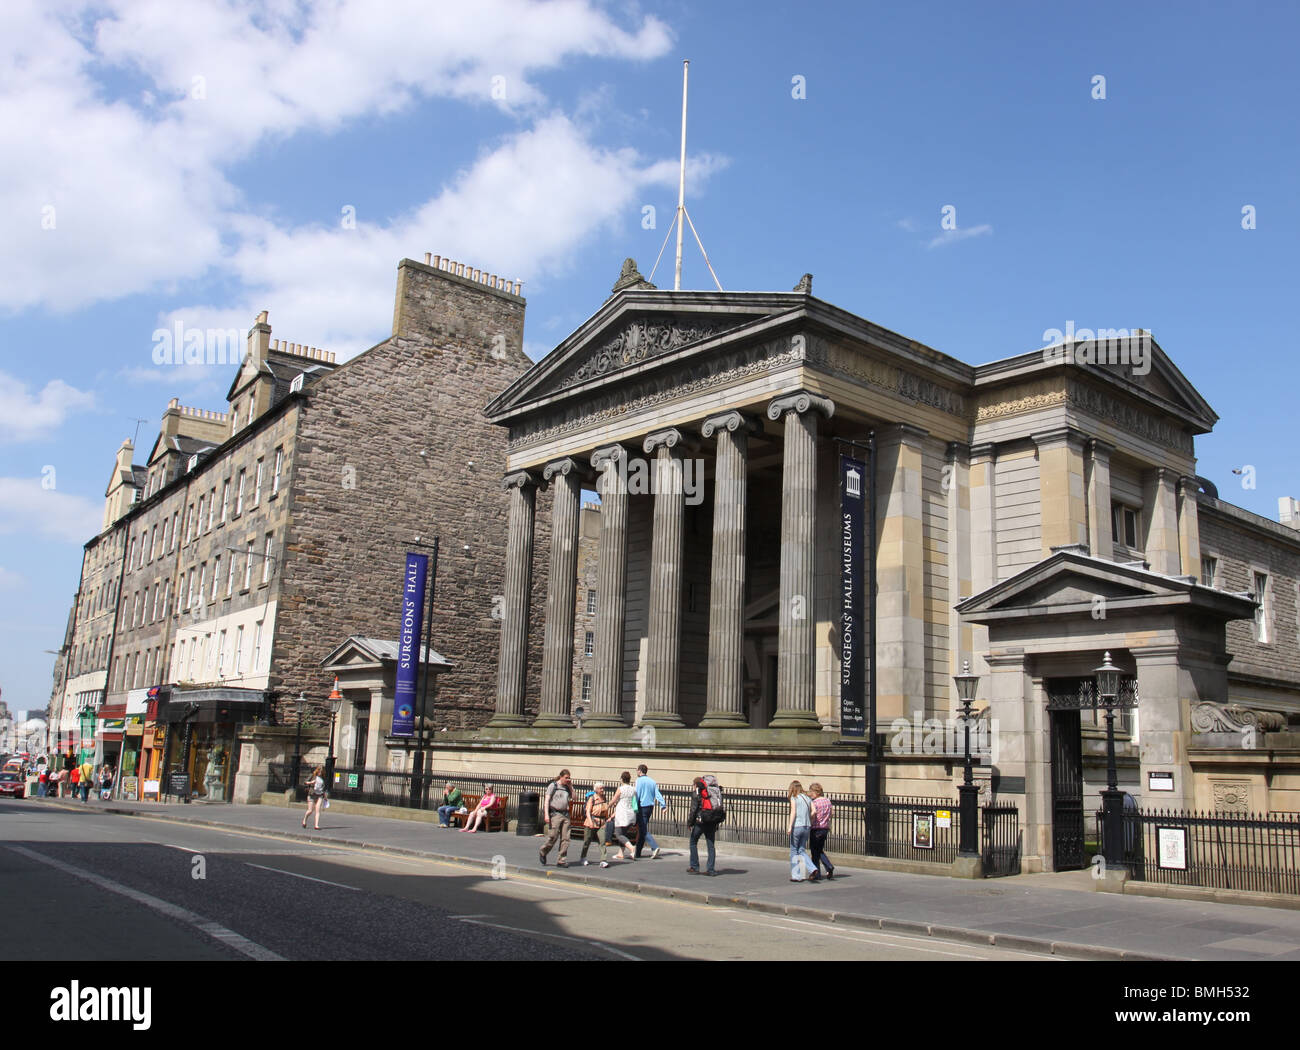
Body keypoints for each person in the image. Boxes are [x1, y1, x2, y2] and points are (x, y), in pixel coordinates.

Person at [686, 776, 723, 876]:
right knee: (711, 845)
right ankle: (711, 869)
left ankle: (694, 866)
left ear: (695, 785)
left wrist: (690, 823)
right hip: (712, 820)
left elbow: (693, 810)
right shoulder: (714, 791)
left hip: (701, 821)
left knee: (693, 842)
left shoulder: (697, 793)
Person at [538, 769, 573, 865]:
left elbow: (574, 797)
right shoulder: (553, 786)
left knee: (566, 838)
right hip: (555, 814)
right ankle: (543, 851)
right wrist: (546, 814)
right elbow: (547, 800)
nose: (567, 779)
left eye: (569, 778)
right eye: (566, 778)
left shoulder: (567, 787)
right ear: (561, 777)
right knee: (553, 836)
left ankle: (561, 860)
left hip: (565, 814)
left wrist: (571, 786)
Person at [633, 764, 667, 859]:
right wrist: (663, 805)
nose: (636, 772)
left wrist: (634, 807)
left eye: (637, 770)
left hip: (642, 806)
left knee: (643, 829)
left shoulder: (639, 781)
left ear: (640, 771)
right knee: (642, 828)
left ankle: (654, 847)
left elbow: (637, 794)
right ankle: (638, 852)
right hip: (650, 807)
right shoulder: (652, 781)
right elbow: (657, 794)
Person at [787, 780, 819, 882]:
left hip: (797, 826)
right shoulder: (807, 798)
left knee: (794, 851)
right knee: (801, 850)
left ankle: (796, 876)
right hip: (806, 826)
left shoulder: (794, 798)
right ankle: (812, 868)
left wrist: (789, 826)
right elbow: (814, 811)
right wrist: (809, 818)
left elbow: (793, 812)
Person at [608, 771, 638, 861]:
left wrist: (606, 806)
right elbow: (634, 801)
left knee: (618, 834)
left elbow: (614, 800)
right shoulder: (633, 789)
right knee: (623, 834)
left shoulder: (620, 789)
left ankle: (632, 848)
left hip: (622, 813)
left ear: (622, 779)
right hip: (631, 813)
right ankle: (620, 853)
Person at [580, 782, 611, 867]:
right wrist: (590, 821)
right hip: (592, 821)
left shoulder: (604, 798)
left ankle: (603, 860)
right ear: (596, 789)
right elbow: (588, 811)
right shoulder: (592, 798)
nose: (602, 790)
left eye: (603, 788)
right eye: (601, 788)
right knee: (587, 841)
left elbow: (605, 809)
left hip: (601, 822)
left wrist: (606, 819)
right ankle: (583, 857)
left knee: (602, 841)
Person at [808, 782, 835, 880]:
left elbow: (813, 815)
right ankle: (828, 866)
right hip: (825, 828)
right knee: (819, 850)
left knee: (814, 851)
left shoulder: (814, 802)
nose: (810, 794)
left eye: (811, 791)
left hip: (816, 828)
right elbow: (832, 813)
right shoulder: (827, 801)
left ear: (815, 792)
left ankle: (818, 873)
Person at [302, 765, 326, 830]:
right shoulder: (313, 775)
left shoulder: (323, 778)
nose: (320, 773)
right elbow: (304, 782)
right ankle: (304, 819)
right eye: (319, 771)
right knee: (310, 810)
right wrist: (311, 782)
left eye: (322, 772)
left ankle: (316, 825)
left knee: (317, 810)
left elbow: (323, 787)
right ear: (317, 770)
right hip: (312, 794)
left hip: (320, 795)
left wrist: (325, 796)